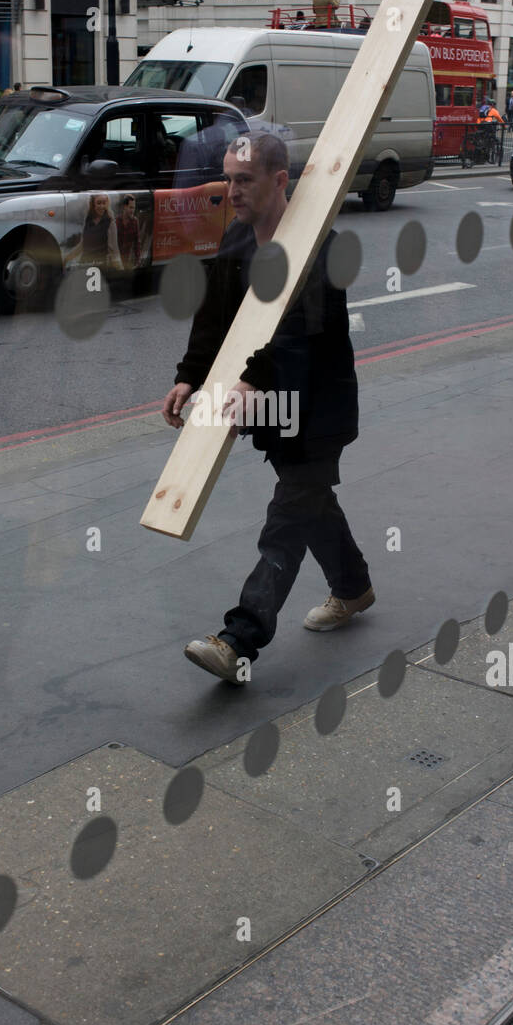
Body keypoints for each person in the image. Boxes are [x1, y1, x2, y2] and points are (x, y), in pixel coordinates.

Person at [163, 131, 374, 684]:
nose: (231, 190)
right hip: (269, 407)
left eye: (244, 180)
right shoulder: (236, 243)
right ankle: (353, 588)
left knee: (287, 517)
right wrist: (189, 377)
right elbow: (213, 321)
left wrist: (255, 380)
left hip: (318, 410)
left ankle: (238, 640)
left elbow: (306, 332)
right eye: (228, 179)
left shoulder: (320, 247)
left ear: (281, 181)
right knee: (311, 504)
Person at [115, 193, 142, 270]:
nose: (132, 210)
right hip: (116, 261)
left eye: (134, 208)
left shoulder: (135, 222)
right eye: (131, 208)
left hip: (128, 262)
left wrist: (138, 260)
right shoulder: (116, 222)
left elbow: (137, 243)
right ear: (124, 207)